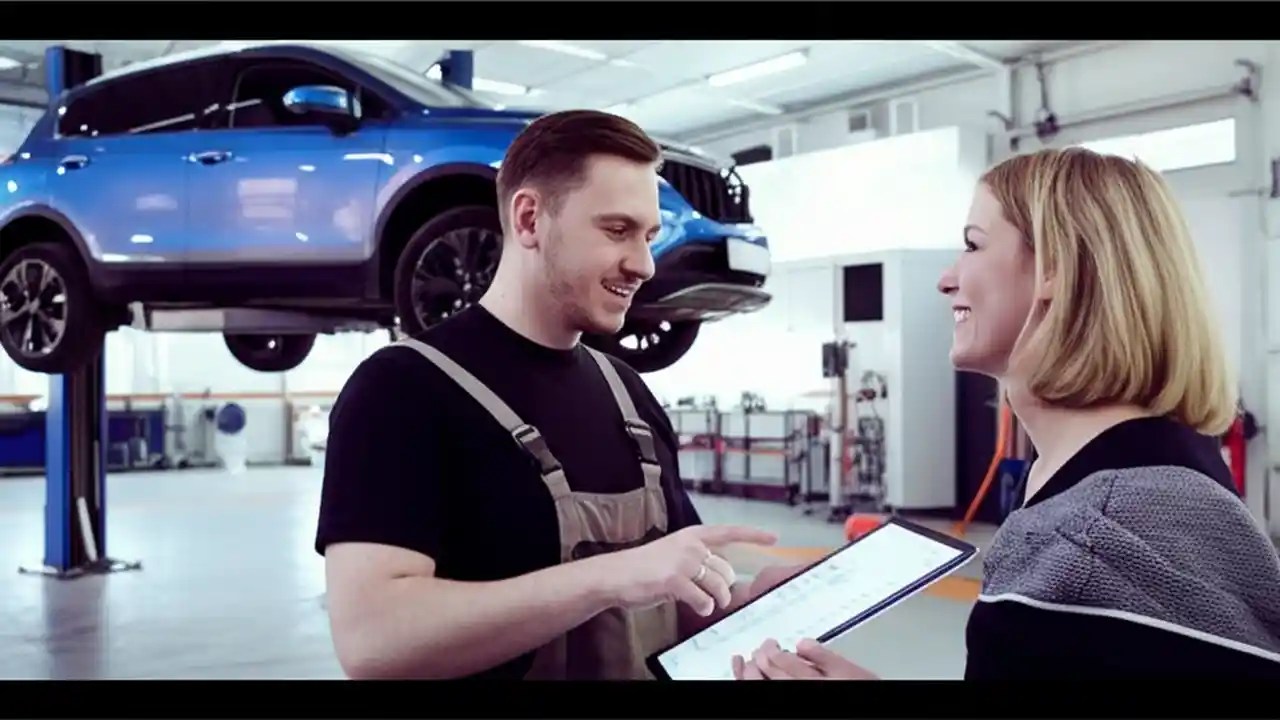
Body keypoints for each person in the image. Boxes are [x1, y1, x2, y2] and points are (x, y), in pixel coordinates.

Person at [733, 147, 1280, 679]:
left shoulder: (1081, 539)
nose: (946, 279)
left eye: (972, 246)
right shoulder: (1166, 472)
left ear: (1056, 270)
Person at [314, 109, 794, 680]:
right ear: (529, 219)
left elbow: (666, 601)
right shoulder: (402, 390)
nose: (642, 264)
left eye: (649, 237)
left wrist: (747, 604)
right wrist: (605, 578)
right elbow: (373, 641)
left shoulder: (629, 394)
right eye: (616, 231)